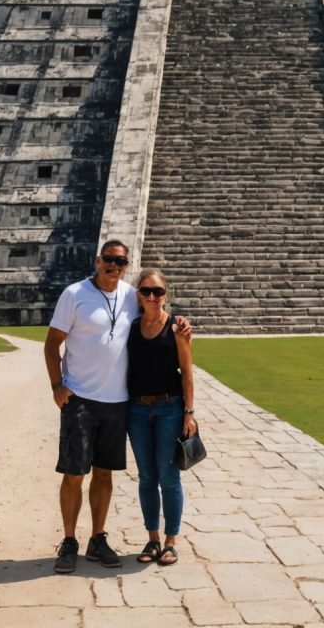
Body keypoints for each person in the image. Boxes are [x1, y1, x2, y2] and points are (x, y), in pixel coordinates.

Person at [43, 241, 191, 575]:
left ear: (127, 265)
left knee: (104, 473)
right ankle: (69, 540)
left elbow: (158, 312)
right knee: (74, 473)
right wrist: (57, 385)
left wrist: (181, 321)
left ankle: (98, 537)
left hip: (118, 401)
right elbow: (52, 344)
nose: (114, 265)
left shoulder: (131, 295)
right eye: (109, 260)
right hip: (80, 397)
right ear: (98, 261)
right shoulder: (74, 293)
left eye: (121, 261)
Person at [126, 269, 197, 567]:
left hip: (170, 408)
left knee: (169, 477)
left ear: (166, 294)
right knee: (146, 477)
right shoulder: (130, 328)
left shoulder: (177, 329)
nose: (152, 297)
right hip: (138, 410)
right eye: (146, 291)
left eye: (157, 291)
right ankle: (153, 537)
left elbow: (187, 372)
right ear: (138, 295)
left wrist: (189, 413)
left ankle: (171, 541)